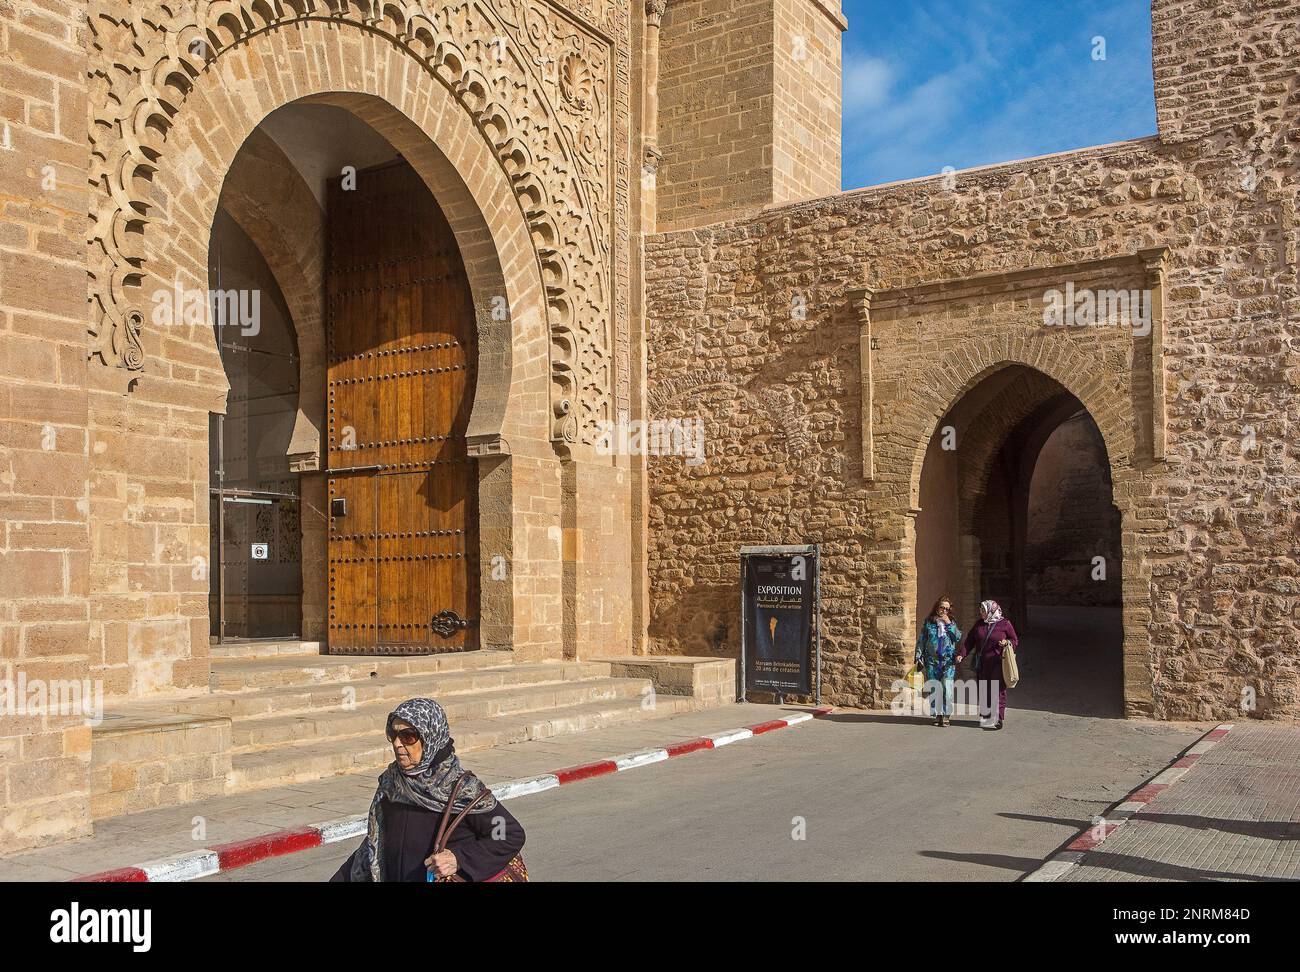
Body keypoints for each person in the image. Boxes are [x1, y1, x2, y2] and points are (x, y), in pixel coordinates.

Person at [330, 697, 526, 881]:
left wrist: (459, 859)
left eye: (408, 736)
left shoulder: (461, 789)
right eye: (393, 734)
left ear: (431, 736)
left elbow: (508, 834)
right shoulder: (392, 784)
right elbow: (376, 842)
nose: (398, 744)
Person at [957, 599, 1019, 730]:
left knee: (997, 689)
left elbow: (1014, 640)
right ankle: (986, 715)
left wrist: (1007, 643)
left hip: (998, 661)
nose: (981, 613)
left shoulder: (1004, 624)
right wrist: (962, 654)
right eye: (981, 610)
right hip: (983, 663)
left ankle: (998, 718)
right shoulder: (979, 625)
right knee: (984, 688)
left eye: (983, 610)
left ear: (991, 610)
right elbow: (970, 641)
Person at [914, 596, 961, 726]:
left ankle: (946, 715)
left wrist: (949, 624)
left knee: (947, 687)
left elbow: (957, 637)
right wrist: (919, 656)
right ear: (937, 607)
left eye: (947, 609)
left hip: (948, 662)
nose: (944, 611)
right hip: (932, 661)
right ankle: (938, 714)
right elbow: (922, 640)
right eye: (942, 607)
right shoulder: (929, 622)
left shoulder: (951, 622)